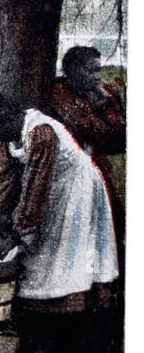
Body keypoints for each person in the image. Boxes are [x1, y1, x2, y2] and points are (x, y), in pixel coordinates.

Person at [0, 92, 118, 353]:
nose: (0, 135)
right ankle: (45, 334)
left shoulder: (41, 132)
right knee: (43, 260)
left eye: (0, 127)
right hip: (53, 192)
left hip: (77, 190)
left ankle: (74, 336)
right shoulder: (9, 137)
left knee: (67, 258)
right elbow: (4, 181)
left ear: (12, 116)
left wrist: (19, 234)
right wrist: (0, 222)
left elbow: (35, 187)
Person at [49, 46, 126, 264]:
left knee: (111, 222)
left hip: (95, 168)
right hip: (65, 172)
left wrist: (105, 111)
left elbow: (120, 142)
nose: (95, 77)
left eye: (97, 71)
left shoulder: (104, 95)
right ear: (71, 69)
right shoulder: (56, 93)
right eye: (90, 70)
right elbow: (74, 128)